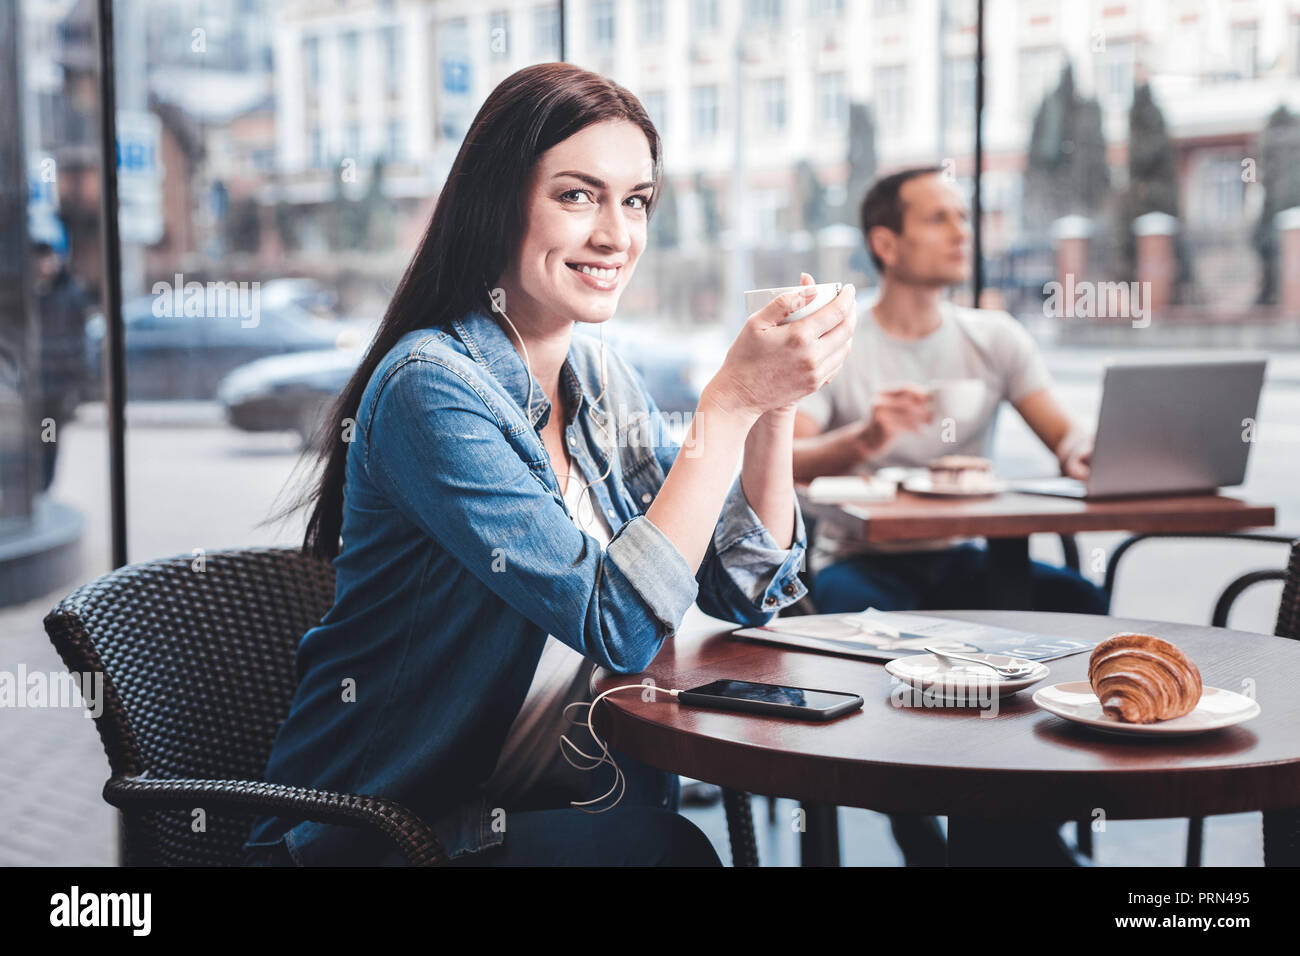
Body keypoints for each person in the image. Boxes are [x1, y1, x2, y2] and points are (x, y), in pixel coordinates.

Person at [242, 62, 857, 866]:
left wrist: (773, 411)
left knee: (666, 844)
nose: (615, 235)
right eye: (578, 195)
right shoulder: (432, 390)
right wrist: (729, 404)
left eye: (635, 201)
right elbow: (622, 623)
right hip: (395, 828)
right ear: (499, 204)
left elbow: (743, 586)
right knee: (666, 851)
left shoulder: (601, 379)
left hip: (550, 803)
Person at [792, 166, 1106, 866]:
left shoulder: (993, 336)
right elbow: (790, 455)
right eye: (939, 218)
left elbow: (1066, 437)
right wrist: (864, 439)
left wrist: (1091, 450)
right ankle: (925, 823)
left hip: (968, 557)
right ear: (887, 243)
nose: (963, 231)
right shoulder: (843, 343)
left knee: (1080, 609)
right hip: (861, 564)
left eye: (964, 217)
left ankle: (1017, 814)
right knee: (877, 660)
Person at [33, 242, 89, 492]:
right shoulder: (30, 293)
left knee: (48, 437)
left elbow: (79, 339)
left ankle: (45, 484)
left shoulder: (70, 293)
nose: (45, 266)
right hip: (31, 383)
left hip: (55, 386)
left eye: (49, 260)